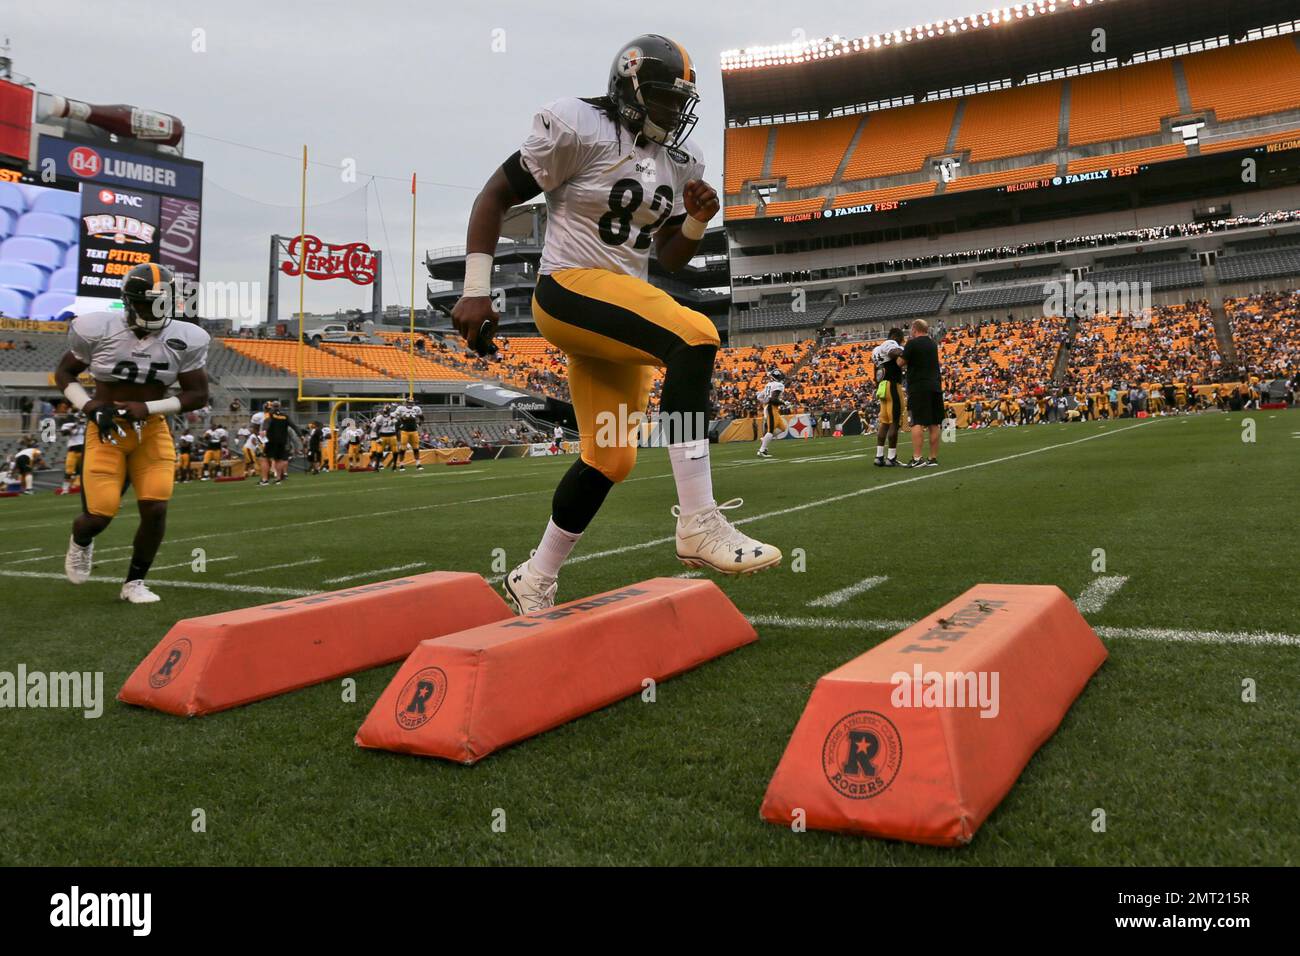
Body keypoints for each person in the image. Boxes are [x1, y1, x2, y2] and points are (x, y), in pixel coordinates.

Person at [450, 33, 779, 612]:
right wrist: (476, 289)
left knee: (610, 457)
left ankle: (534, 577)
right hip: (568, 288)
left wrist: (696, 222)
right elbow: (494, 196)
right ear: (628, 88)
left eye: (680, 102)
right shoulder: (578, 125)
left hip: (617, 305)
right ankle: (699, 520)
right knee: (696, 335)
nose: (673, 112)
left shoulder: (680, 160)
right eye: (663, 97)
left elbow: (669, 257)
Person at [53, 262, 210, 603]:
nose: (154, 311)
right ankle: (81, 542)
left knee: (155, 508)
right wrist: (89, 406)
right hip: (106, 430)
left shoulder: (186, 337)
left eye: (160, 303)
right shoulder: (97, 329)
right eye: (146, 303)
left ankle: (134, 583)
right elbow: (64, 374)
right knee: (98, 516)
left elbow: (198, 394)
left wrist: (148, 408)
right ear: (128, 301)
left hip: (151, 430)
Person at [898, 319, 943, 468]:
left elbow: (900, 363)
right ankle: (933, 458)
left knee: (916, 422)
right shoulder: (932, 344)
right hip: (935, 386)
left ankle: (917, 458)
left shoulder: (912, 343)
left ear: (914, 329)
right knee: (934, 423)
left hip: (918, 387)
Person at [871, 328, 905, 467]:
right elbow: (893, 352)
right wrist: (905, 351)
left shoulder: (876, 350)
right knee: (894, 422)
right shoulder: (890, 343)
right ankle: (891, 457)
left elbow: (875, 371)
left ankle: (879, 456)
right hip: (892, 385)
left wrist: (877, 386)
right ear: (896, 337)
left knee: (884, 422)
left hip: (882, 386)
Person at [756, 370, 786, 459]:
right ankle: (762, 450)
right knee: (771, 430)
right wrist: (783, 403)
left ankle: (765, 439)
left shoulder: (768, 385)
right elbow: (773, 399)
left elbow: (759, 397)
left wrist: (765, 401)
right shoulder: (779, 385)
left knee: (782, 427)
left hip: (770, 408)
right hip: (771, 408)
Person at [60, 414, 86, 494]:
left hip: (84, 449)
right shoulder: (67, 425)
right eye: (80, 417)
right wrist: (75, 425)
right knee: (69, 470)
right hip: (73, 450)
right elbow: (64, 433)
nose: (81, 419)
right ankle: (65, 489)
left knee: (84, 470)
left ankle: (82, 487)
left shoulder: (85, 425)